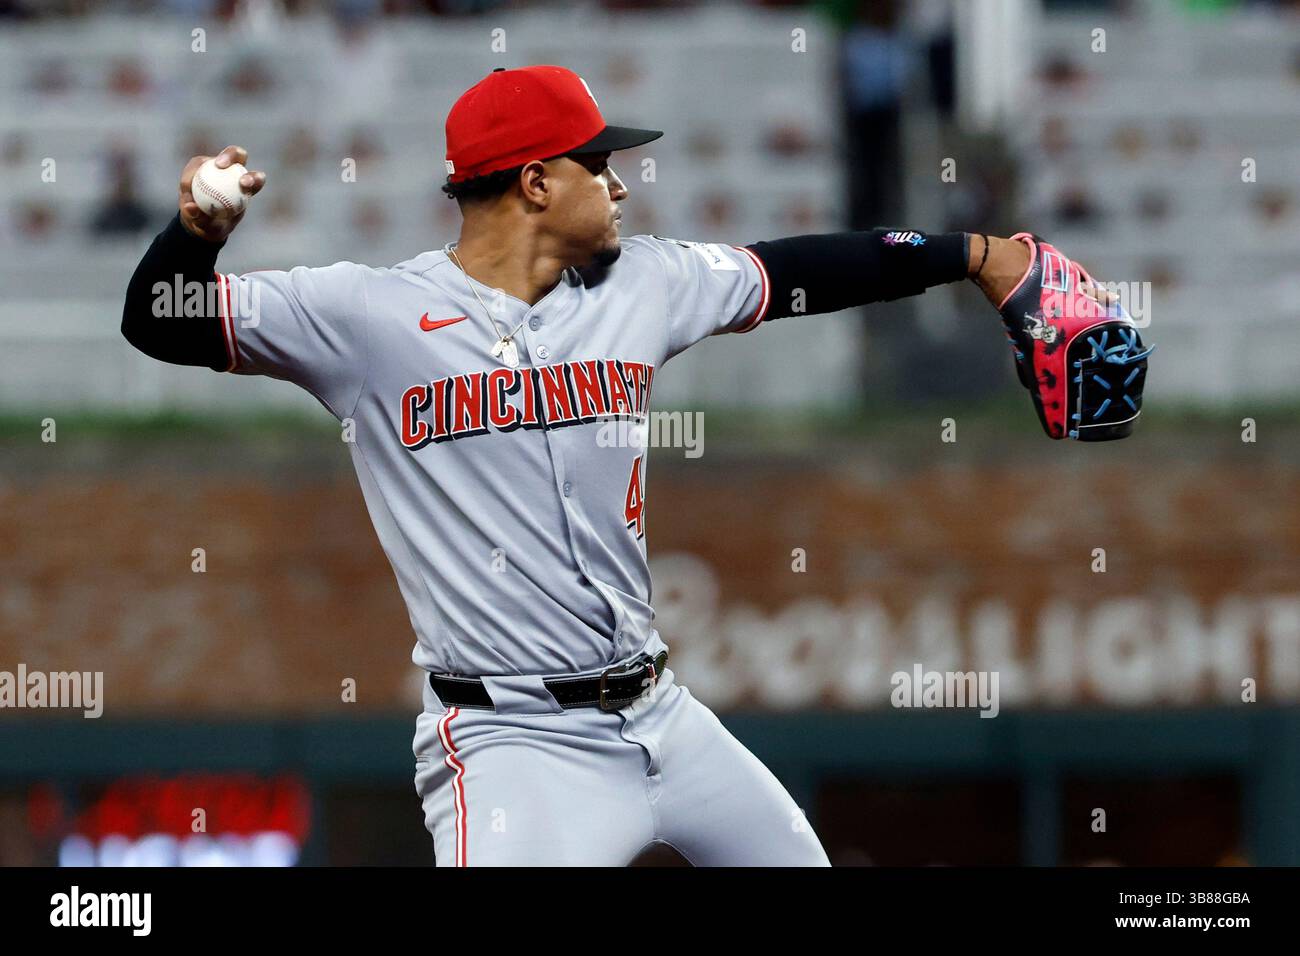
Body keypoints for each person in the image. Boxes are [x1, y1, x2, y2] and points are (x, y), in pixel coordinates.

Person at [120, 64, 1097, 866]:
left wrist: (976, 255)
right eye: (601, 163)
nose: (621, 183)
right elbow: (157, 321)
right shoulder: (365, 316)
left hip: (661, 712)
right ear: (537, 183)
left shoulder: (646, 284)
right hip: (511, 742)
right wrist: (195, 234)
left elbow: (805, 267)